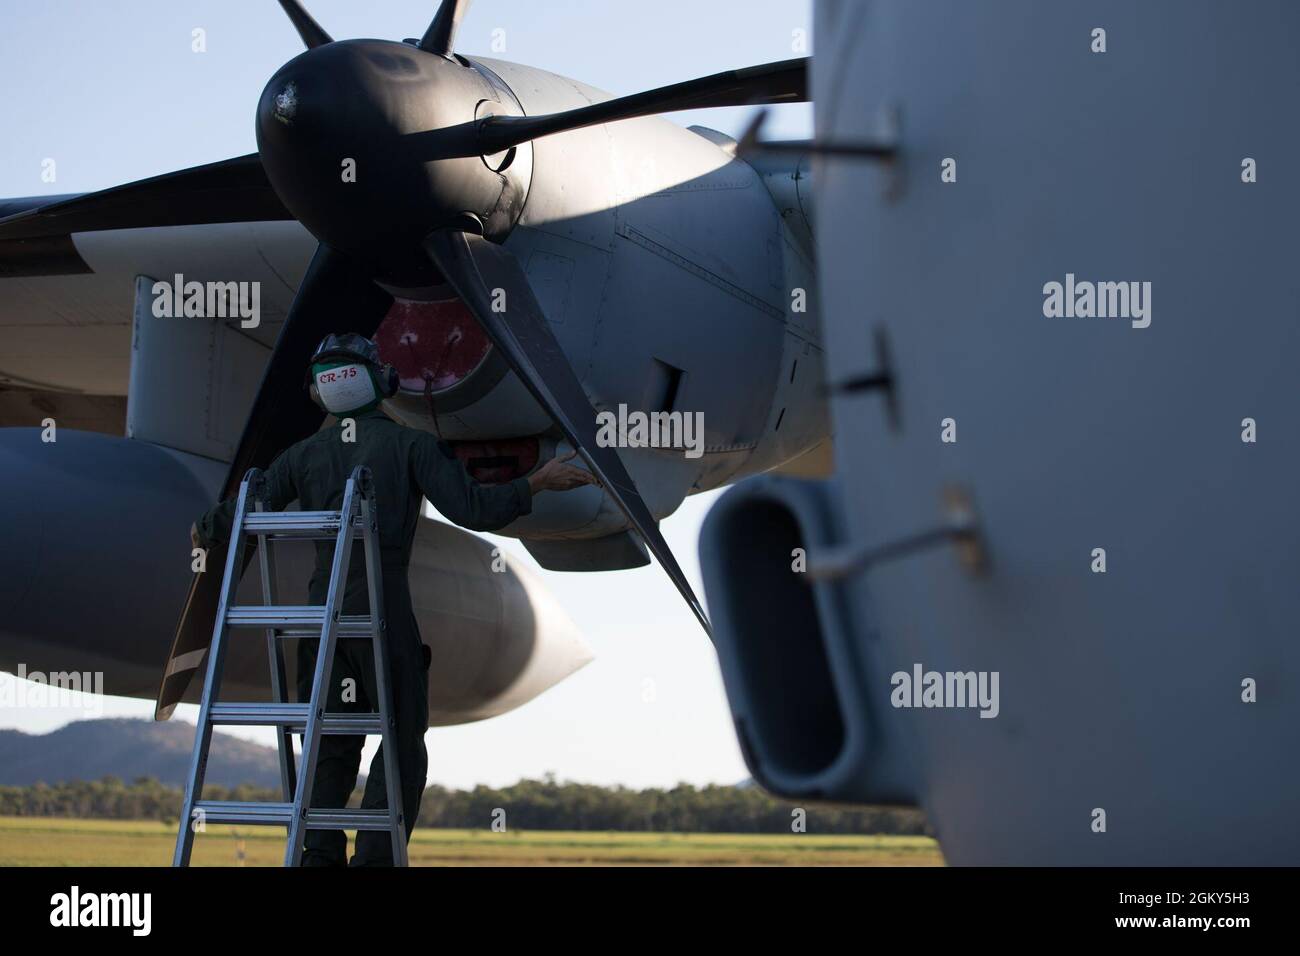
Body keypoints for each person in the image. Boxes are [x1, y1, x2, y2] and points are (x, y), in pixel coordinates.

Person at [191, 332, 594, 866]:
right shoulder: (411, 446)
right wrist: (537, 481)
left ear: (318, 393)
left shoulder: (301, 456)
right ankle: (378, 856)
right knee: (401, 734)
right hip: (380, 613)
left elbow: (245, 506)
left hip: (320, 620)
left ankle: (318, 855)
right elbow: (476, 509)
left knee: (328, 740)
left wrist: (204, 529)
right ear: (380, 382)